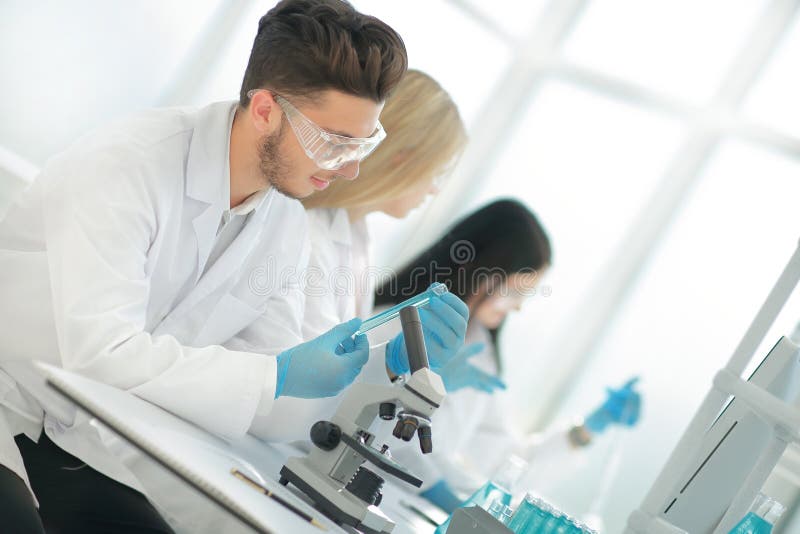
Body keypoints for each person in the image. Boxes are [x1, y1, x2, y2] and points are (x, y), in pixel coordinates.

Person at [0, 1, 417, 531]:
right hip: (12, 399)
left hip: (85, 437)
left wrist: (372, 364)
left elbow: (267, 409)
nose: (353, 168)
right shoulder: (131, 164)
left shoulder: (283, 226)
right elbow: (101, 352)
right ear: (265, 109)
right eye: (334, 142)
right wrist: (275, 374)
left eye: (363, 144)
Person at [373, 199, 642, 512]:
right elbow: (375, 431)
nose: (517, 307)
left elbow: (503, 462)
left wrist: (584, 431)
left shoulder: (479, 353)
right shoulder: (396, 322)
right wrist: (437, 490)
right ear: (480, 270)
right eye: (514, 293)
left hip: (405, 513)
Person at [248, 68, 471, 445]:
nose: (434, 190)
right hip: (250, 437)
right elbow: (283, 390)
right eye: (437, 172)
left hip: (283, 441)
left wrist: (387, 363)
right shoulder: (306, 229)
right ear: (403, 159)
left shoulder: (356, 236)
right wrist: (385, 362)